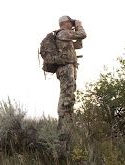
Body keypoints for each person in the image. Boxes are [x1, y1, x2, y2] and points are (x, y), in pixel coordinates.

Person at [55, 15, 87, 143]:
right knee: (66, 96)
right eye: (71, 22)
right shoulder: (62, 33)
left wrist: (75, 31)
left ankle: (67, 124)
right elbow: (83, 35)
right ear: (64, 23)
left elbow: (78, 44)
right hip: (66, 68)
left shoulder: (66, 37)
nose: (72, 24)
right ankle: (63, 128)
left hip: (69, 68)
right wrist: (79, 26)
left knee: (69, 95)